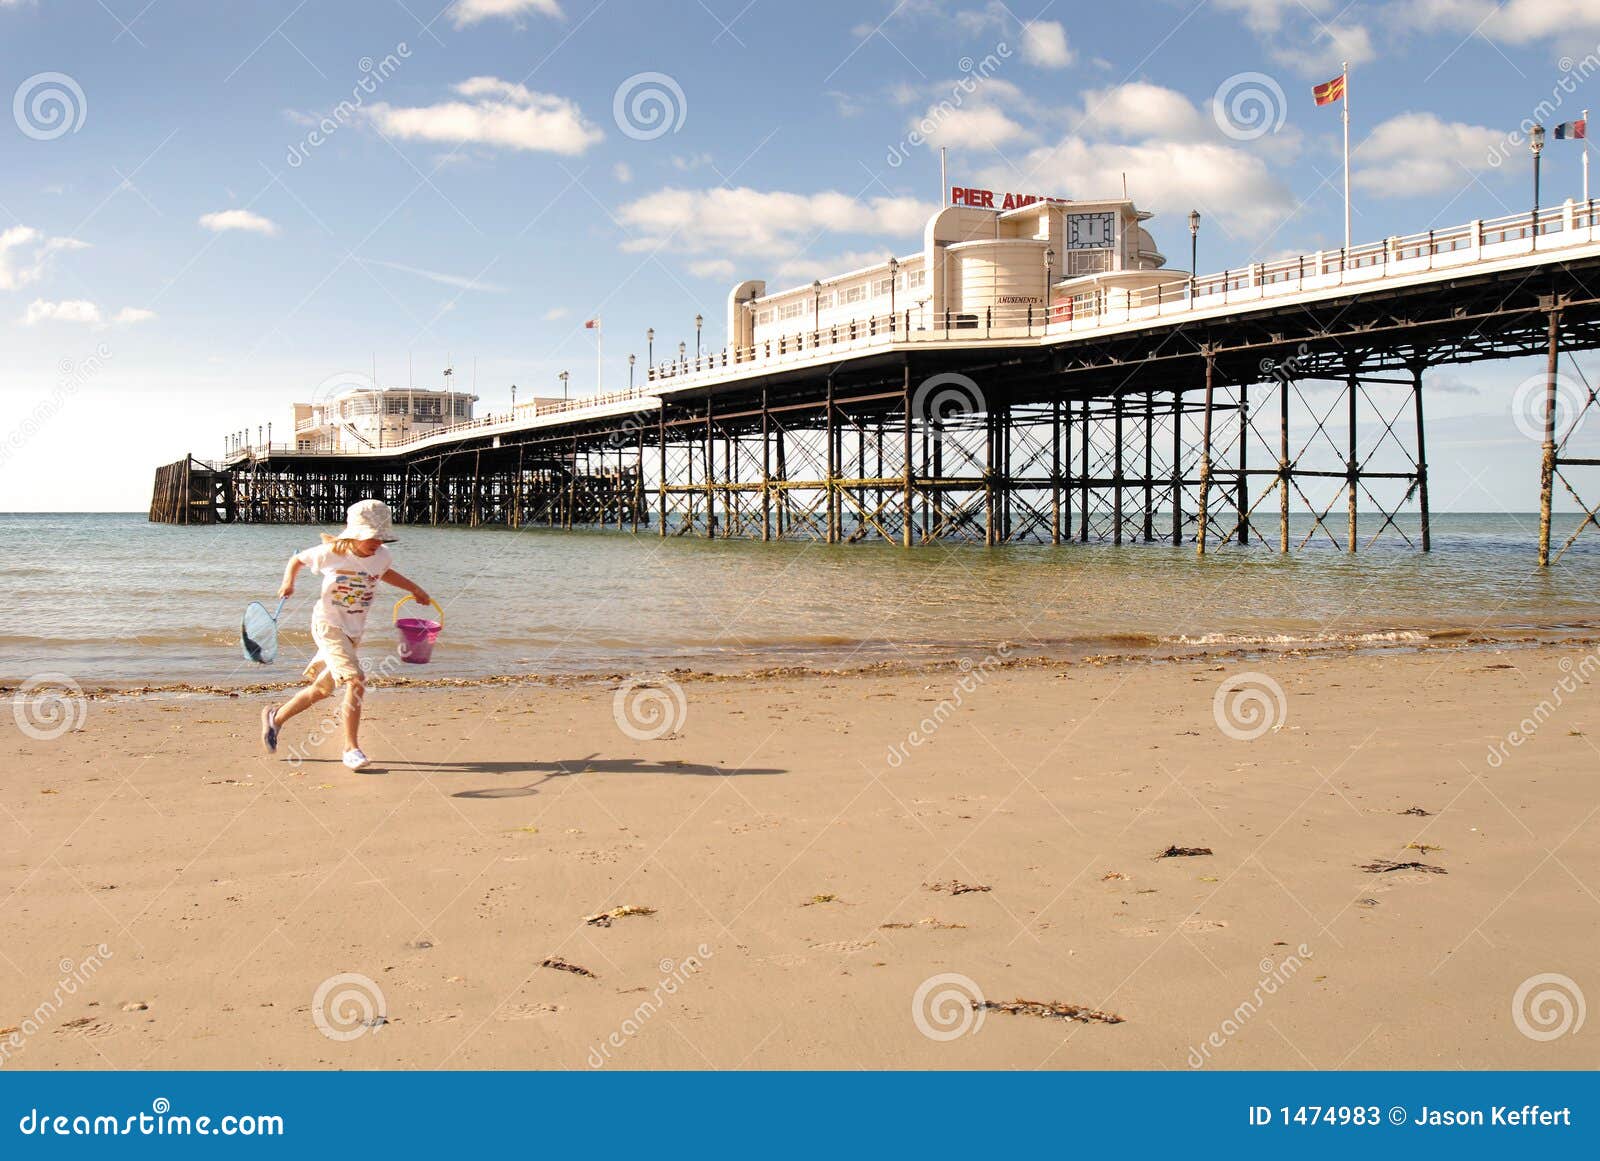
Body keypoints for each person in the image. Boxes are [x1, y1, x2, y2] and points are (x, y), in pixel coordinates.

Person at [258, 499, 430, 770]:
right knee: (356, 680)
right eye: (370, 537)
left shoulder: (382, 555)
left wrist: (415, 589)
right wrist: (288, 583)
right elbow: (297, 560)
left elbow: (385, 573)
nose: (376, 543)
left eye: (381, 537)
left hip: (353, 631)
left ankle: (275, 719)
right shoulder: (332, 552)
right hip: (328, 626)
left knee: (322, 689)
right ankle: (351, 749)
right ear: (354, 534)